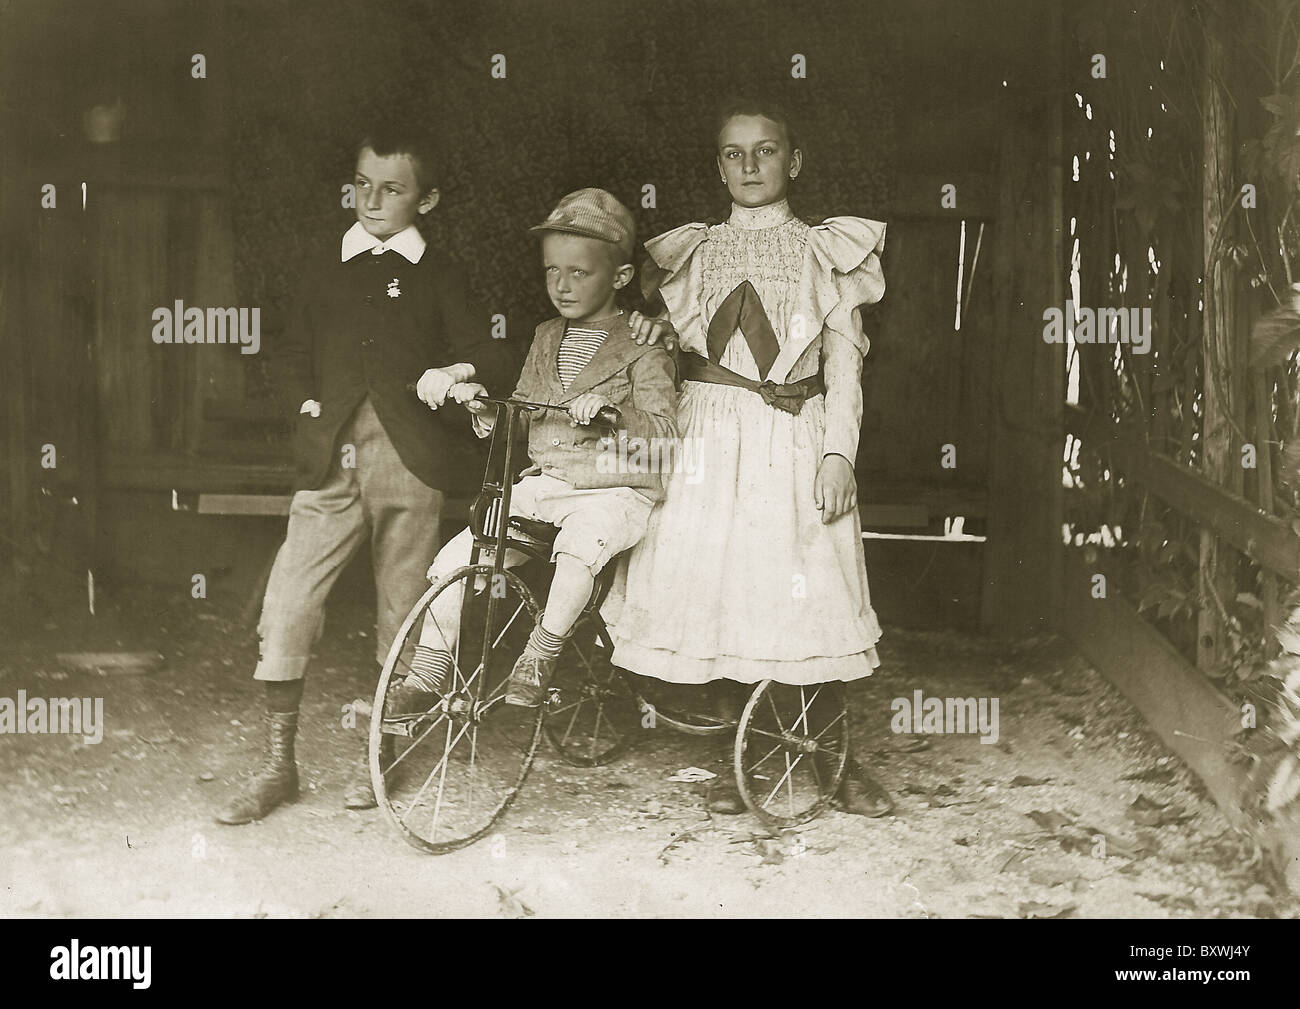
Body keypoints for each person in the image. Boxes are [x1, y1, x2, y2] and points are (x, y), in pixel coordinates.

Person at [608, 98, 895, 816]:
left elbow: (845, 369)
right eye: (734, 154)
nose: (750, 165)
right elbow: (667, 348)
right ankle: (739, 751)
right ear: (718, 166)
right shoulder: (694, 249)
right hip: (708, 434)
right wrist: (652, 331)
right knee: (721, 588)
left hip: (793, 432)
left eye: (764, 151)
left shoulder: (827, 251)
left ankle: (834, 753)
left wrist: (838, 455)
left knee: (807, 586)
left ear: (792, 161)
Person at [216, 125, 506, 825]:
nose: (372, 200)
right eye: (362, 185)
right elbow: (287, 351)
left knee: (400, 609)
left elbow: (485, 350)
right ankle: (277, 763)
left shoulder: (441, 271)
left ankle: (385, 747)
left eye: (393, 189)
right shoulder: (323, 265)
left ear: (427, 199)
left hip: (410, 461)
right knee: (287, 602)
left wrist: (455, 371)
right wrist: (303, 401)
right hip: (330, 464)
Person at [388, 189, 677, 711]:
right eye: (551, 272)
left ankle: (539, 655)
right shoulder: (546, 336)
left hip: (613, 492)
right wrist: (481, 407)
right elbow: (526, 413)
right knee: (458, 557)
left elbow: (662, 437)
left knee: (575, 556)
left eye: (579, 273)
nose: (561, 286)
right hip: (546, 487)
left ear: (621, 277)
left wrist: (612, 415)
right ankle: (428, 672)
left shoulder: (644, 346)